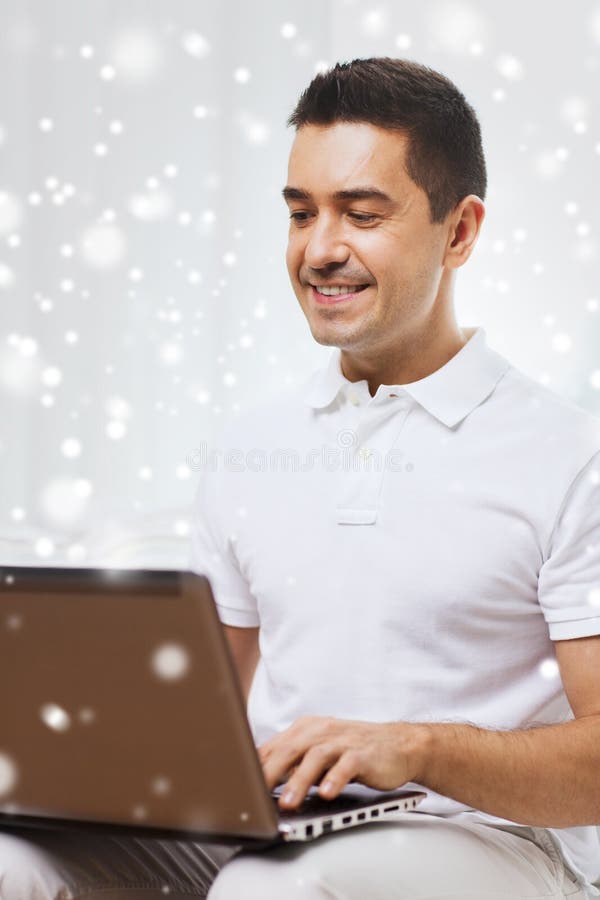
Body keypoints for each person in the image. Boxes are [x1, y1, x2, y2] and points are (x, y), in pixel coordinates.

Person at [1, 57, 598, 900]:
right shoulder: (249, 448)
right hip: (274, 827)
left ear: (459, 231)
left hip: (487, 841)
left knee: (268, 892)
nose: (320, 250)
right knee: (12, 865)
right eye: (300, 213)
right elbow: (194, 714)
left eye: (362, 214)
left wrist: (415, 748)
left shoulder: (569, 455)